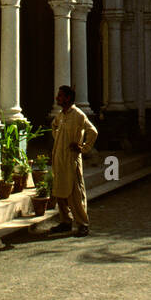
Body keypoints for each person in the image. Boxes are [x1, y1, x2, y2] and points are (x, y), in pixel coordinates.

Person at [49, 84, 97, 237]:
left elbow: (93, 132)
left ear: (68, 98)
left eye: (60, 96)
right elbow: (54, 126)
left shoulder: (78, 115)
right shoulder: (61, 115)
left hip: (71, 160)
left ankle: (83, 224)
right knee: (59, 192)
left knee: (75, 194)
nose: (57, 98)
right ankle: (65, 222)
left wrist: (83, 148)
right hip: (59, 159)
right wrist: (59, 140)